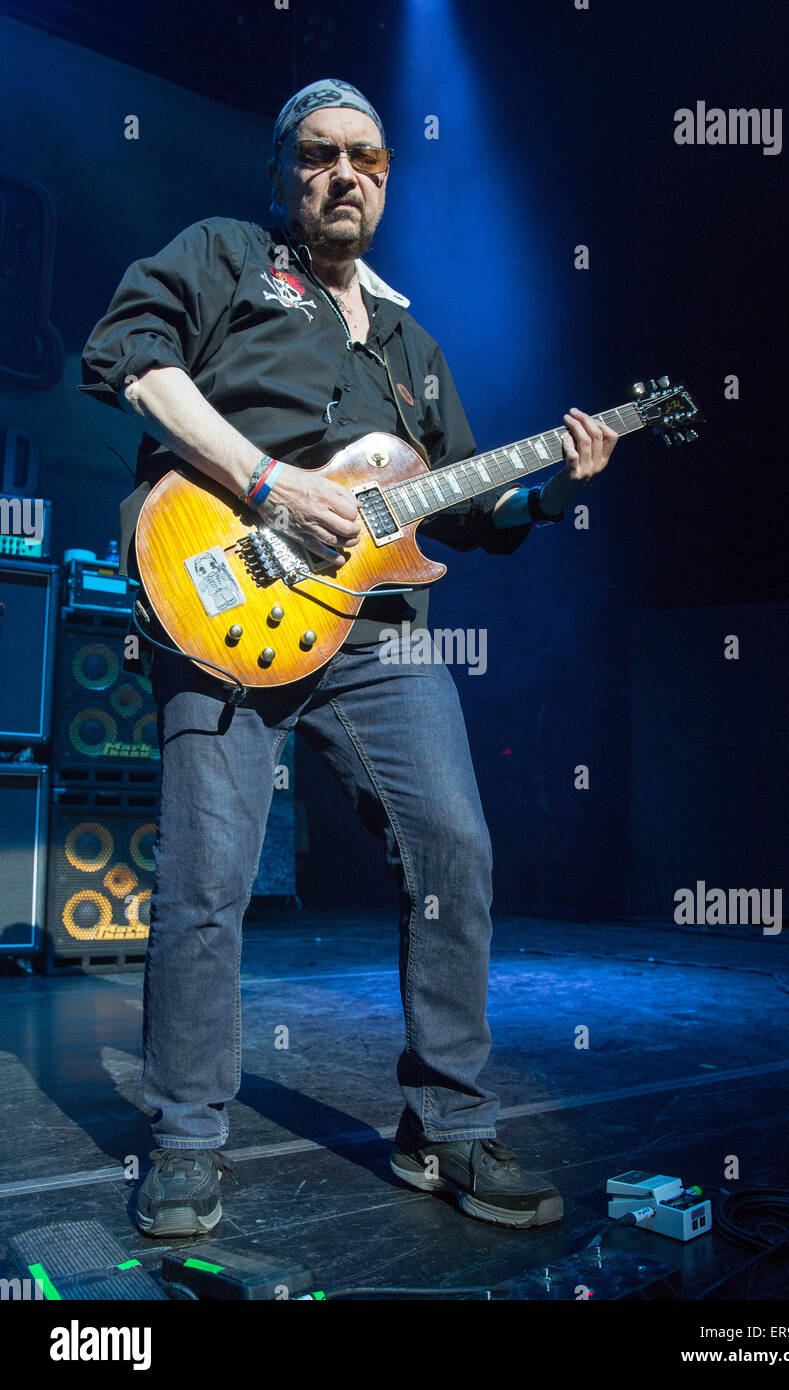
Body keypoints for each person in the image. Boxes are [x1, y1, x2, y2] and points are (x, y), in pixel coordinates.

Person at [80, 78, 618, 1238]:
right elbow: (130, 357)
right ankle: (183, 1138)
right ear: (282, 174)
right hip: (225, 607)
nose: (344, 176)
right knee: (205, 882)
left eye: (367, 159)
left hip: (375, 637)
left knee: (454, 850)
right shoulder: (227, 256)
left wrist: (549, 485)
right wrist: (269, 484)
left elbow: (462, 512)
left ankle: (449, 1127)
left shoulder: (410, 346)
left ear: (385, 179)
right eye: (320, 156)